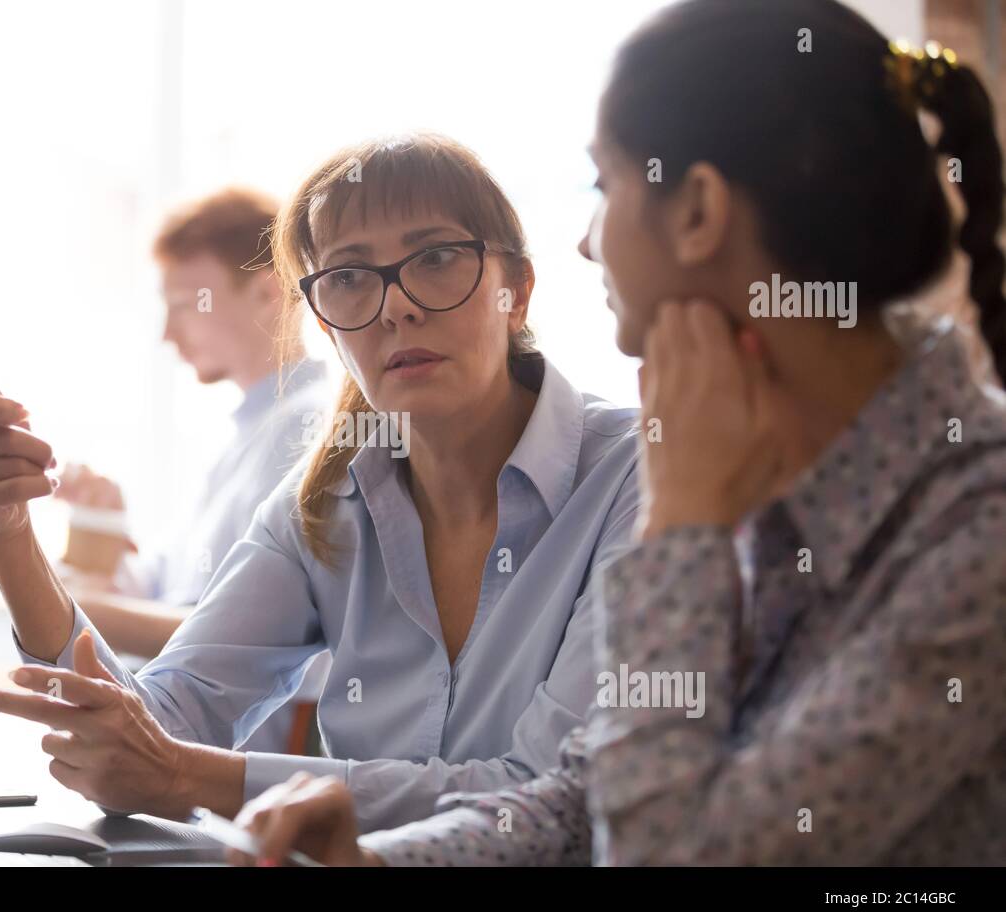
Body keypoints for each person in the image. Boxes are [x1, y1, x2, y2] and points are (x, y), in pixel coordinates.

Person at [227, 0, 1006, 866]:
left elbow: (673, 852)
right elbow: (587, 794)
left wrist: (682, 530)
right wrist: (377, 861)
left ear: (699, 210)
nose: (588, 243)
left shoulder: (978, 526)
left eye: (605, 186)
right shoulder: (768, 463)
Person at [0, 132, 641, 832]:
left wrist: (183, 774)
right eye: (347, 277)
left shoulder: (634, 477)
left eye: (435, 259)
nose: (396, 307)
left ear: (514, 291)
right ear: (329, 330)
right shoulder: (324, 504)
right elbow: (142, 734)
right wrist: (6, 532)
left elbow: (545, 792)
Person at [51, 188, 332, 753]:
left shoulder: (309, 430)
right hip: (168, 734)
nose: (168, 333)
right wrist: (99, 528)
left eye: (185, 304)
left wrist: (54, 607)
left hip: (223, 763)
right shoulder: (249, 433)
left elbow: (236, 636)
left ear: (267, 292)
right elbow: (175, 592)